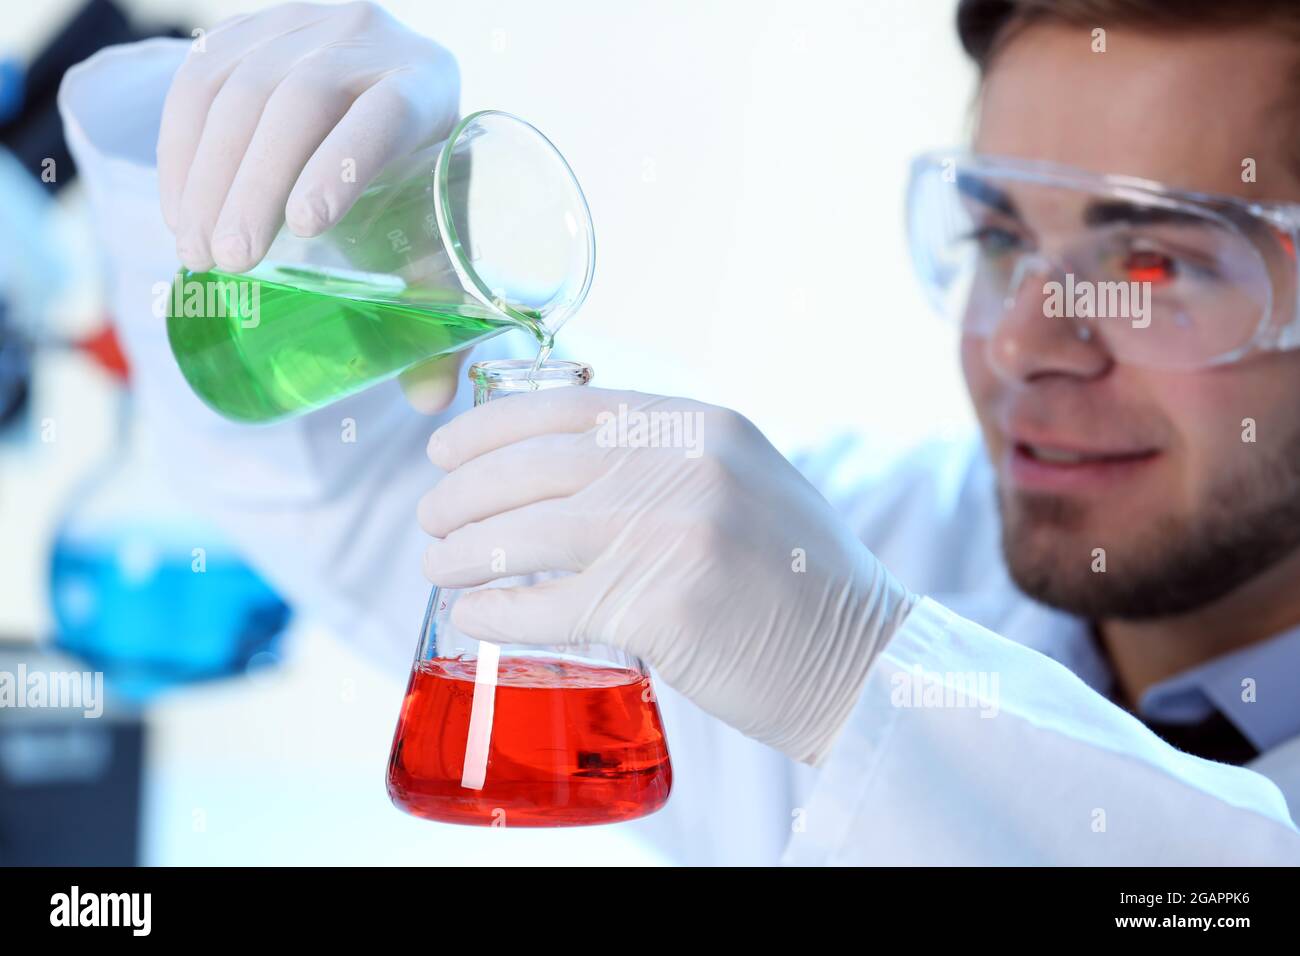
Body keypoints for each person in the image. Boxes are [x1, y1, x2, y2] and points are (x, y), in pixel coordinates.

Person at [58, 0, 1300, 864]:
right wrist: (279, 182)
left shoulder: (846, 637)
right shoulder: (873, 558)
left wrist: (860, 675)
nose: (1027, 339)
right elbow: (365, 486)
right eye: (997, 236)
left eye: (1152, 261)